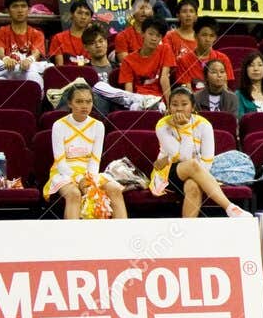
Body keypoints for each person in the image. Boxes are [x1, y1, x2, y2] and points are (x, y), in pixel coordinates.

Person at [150, 87, 250, 218]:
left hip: (198, 171)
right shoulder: (162, 125)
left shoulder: (204, 125)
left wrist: (196, 175)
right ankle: (229, 207)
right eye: (174, 105)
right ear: (169, 107)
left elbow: (208, 161)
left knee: (194, 186)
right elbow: (182, 158)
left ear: (192, 107)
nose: (179, 108)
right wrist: (185, 128)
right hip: (167, 171)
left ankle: (187, 232)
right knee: (191, 164)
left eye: (184, 104)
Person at [45, 82, 129, 220]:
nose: (84, 106)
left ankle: (121, 235)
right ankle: (73, 239)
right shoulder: (59, 125)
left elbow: (95, 159)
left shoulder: (98, 126)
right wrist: (79, 180)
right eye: (79, 101)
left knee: (115, 189)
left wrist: (89, 180)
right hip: (64, 172)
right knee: (74, 194)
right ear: (70, 103)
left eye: (88, 101)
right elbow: (60, 161)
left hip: (89, 173)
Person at [0, 0, 51, 82]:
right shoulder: (0, 32)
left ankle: (19, 74)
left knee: (49, 67)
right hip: (9, 68)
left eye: (23, 6)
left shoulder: (37, 33)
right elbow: (0, 52)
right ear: (8, 11)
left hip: (28, 68)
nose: (20, 10)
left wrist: (29, 60)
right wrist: (6, 59)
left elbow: (36, 54)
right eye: (15, 6)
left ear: (28, 10)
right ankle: (19, 72)